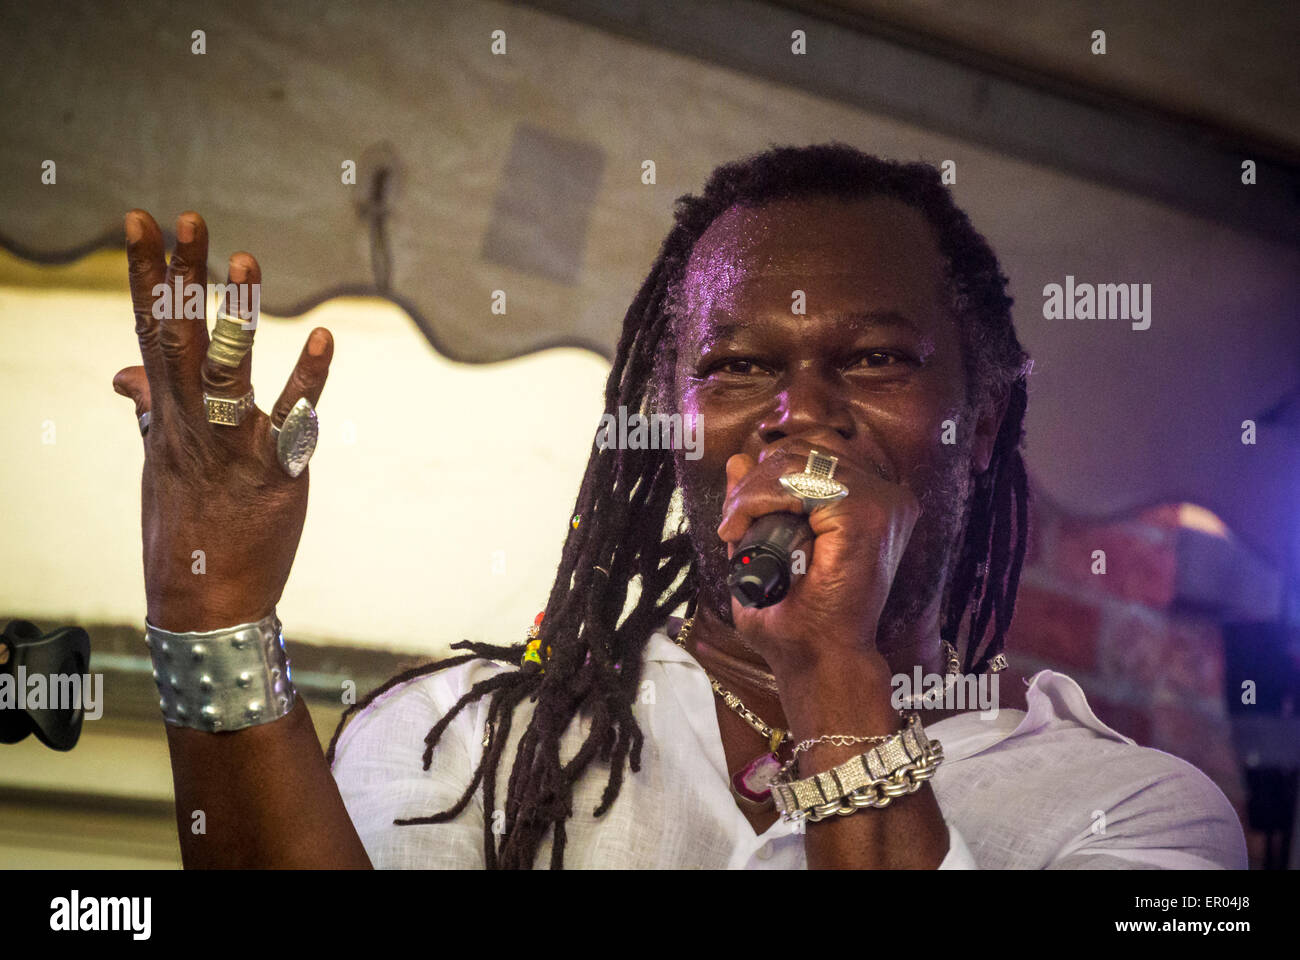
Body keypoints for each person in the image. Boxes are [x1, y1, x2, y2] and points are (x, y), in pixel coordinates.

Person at [114, 143, 1246, 870]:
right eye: (738, 369)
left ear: (984, 418)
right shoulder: (461, 745)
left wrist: (829, 672)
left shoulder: (1132, 814)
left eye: (875, 361)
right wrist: (210, 616)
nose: (799, 415)